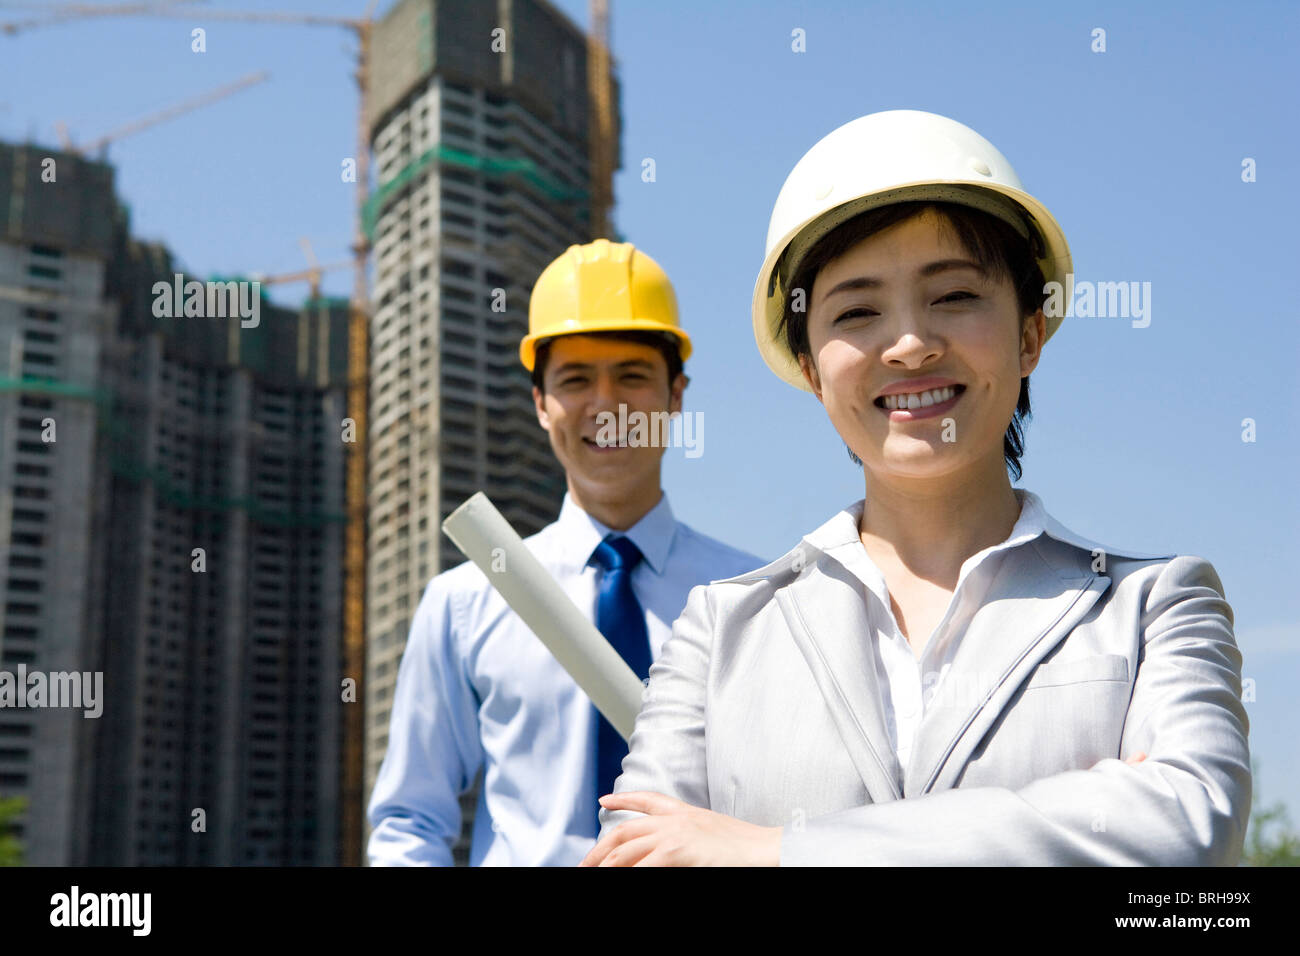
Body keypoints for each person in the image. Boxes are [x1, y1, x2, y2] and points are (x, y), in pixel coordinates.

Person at [582, 110, 1251, 866]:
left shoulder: (1153, 606)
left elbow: (1185, 832)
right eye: (858, 311)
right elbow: (639, 857)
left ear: (1030, 334)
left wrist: (778, 851)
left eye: (955, 296)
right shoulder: (719, 633)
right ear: (810, 369)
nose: (910, 344)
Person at [367, 238, 764, 865]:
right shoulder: (467, 601)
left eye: (632, 375)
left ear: (676, 397)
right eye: (575, 379)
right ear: (540, 403)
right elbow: (410, 821)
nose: (605, 403)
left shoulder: (753, 597)